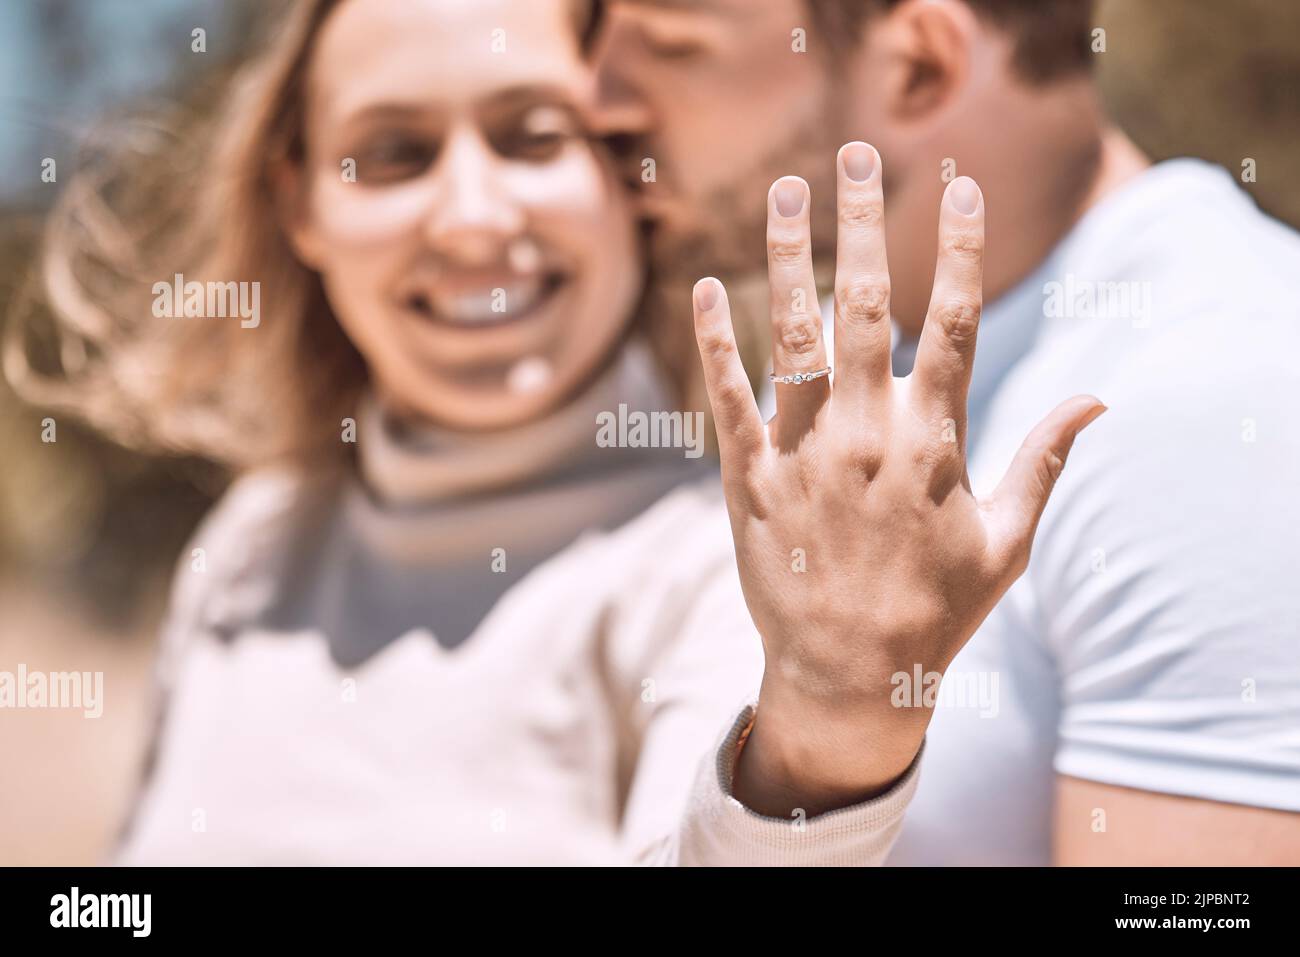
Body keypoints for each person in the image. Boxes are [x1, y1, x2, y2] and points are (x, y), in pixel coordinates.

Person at [10, 0, 1062, 865]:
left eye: (535, 137)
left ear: (634, 181)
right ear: (298, 207)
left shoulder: (729, 567)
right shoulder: (255, 543)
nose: (471, 218)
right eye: (392, 153)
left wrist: (826, 740)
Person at [592, 0, 1300, 863]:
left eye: (671, 46)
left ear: (919, 66)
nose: (599, 102)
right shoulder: (844, 364)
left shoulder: (1220, 402)